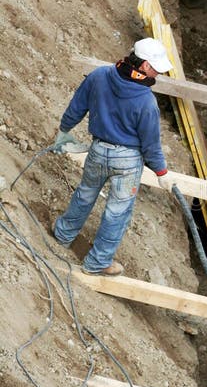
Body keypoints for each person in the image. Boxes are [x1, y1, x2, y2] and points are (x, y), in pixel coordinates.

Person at [53, 37, 174, 276]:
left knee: (85, 194)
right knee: (117, 213)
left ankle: (63, 234)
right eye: (157, 69)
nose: (158, 74)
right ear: (145, 66)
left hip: (98, 152)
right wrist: (161, 173)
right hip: (127, 162)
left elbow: (77, 106)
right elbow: (150, 144)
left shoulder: (100, 75)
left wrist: (63, 131)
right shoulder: (146, 100)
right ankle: (98, 262)